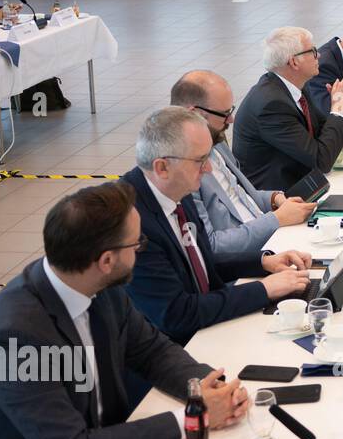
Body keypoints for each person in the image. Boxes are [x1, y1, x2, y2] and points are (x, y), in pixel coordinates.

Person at [0, 182, 252, 439]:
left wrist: (210, 388)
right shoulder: (15, 336)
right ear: (106, 260)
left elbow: (151, 351)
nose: (140, 251)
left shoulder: (98, 284)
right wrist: (193, 417)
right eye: (137, 243)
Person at [122, 107, 312, 345]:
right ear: (162, 167)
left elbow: (199, 260)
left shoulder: (177, 188)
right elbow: (176, 314)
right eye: (200, 160)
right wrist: (263, 290)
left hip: (203, 326)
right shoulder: (131, 221)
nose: (209, 169)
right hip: (173, 347)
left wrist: (262, 262)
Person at [170, 71, 317, 253]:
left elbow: (242, 196)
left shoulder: (215, 141)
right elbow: (210, 247)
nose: (231, 119)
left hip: (269, 234)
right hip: (251, 255)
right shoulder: (181, 173)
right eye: (224, 113)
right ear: (195, 115)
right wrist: (277, 219)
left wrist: (275, 199)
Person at [232, 26, 343, 191]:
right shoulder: (270, 105)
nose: (318, 55)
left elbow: (322, 132)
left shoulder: (294, 87)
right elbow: (321, 161)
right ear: (293, 62)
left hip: (302, 178)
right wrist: (339, 109)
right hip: (279, 197)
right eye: (312, 51)